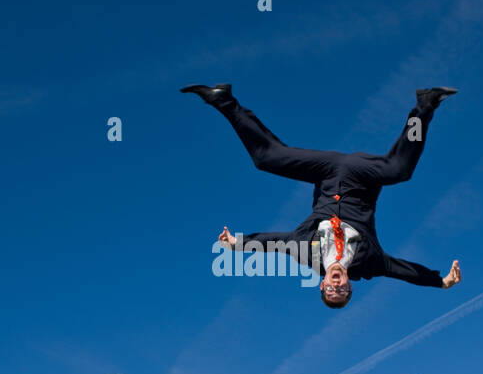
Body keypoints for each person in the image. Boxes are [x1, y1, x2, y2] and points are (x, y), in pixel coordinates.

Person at [183, 83, 463, 308]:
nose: (337, 285)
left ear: (322, 285)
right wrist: (439, 282)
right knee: (400, 169)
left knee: (266, 159)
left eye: (331, 290)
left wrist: (237, 243)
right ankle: (425, 106)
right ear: (350, 287)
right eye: (342, 291)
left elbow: (275, 242)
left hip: (326, 173)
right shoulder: (369, 263)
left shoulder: (305, 254)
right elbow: (403, 271)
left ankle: (224, 100)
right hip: (362, 178)